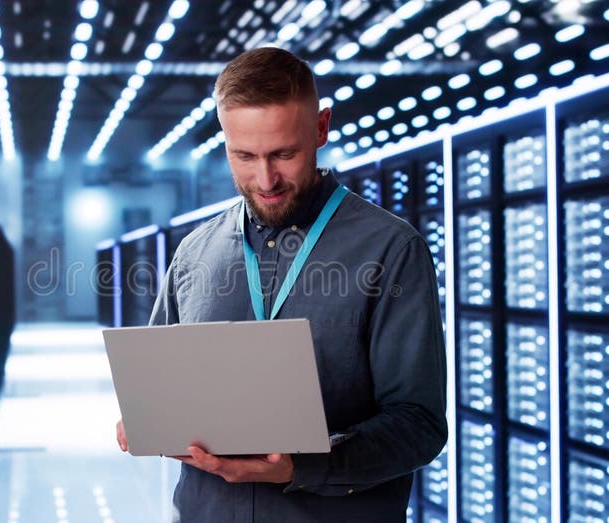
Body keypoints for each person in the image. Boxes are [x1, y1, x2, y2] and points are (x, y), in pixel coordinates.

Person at [116, 46, 447, 522]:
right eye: (244, 155)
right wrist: (144, 421)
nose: (265, 178)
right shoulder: (194, 252)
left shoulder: (391, 250)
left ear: (320, 127)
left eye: (284, 154)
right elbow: (151, 388)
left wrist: (305, 466)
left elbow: (420, 425)